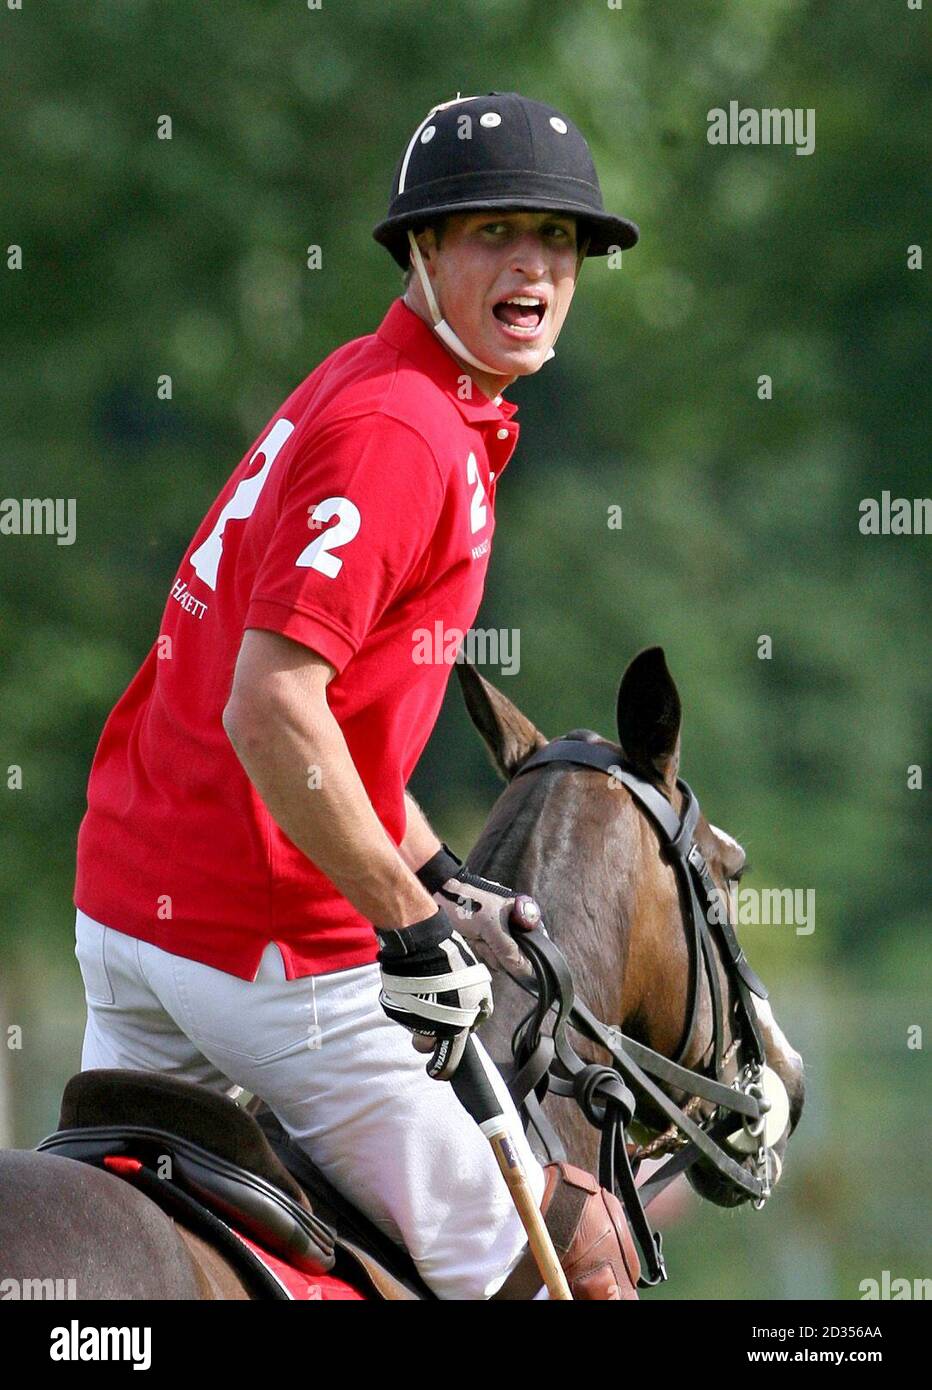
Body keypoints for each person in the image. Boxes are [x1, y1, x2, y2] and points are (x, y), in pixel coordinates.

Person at [72, 90, 641, 1299]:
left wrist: (438, 873)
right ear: (423, 254)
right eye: (492, 232)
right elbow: (272, 710)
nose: (532, 263)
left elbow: (344, 745)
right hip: (261, 940)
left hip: (136, 907)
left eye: (556, 240)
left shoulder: (386, 384)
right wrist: (407, 923)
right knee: (562, 1266)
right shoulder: (402, 428)